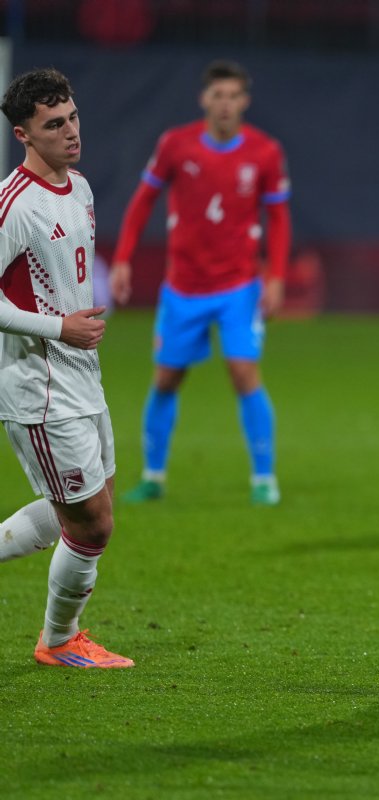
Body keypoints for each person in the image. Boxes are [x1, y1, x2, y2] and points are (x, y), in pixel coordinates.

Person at [109, 60, 292, 506]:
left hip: (239, 285)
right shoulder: (176, 144)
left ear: (244, 101)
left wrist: (277, 276)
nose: (225, 104)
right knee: (167, 377)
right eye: (218, 96)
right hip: (184, 286)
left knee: (243, 370)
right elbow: (142, 201)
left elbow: (280, 218)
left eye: (233, 96)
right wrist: (122, 260)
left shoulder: (265, 152)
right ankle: (153, 476)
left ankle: (264, 479)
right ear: (204, 98)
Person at [0, 68, 134, 668]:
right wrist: (61, 329)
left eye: (73, 117)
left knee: (85, 506)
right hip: (40, 388)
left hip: (83, 376)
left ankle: (61, 638)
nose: (71, 132)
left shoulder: (78, 187)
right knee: (93, 525)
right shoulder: (14, 205)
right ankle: (58, 639)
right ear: (24, 135)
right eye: (54, 125)